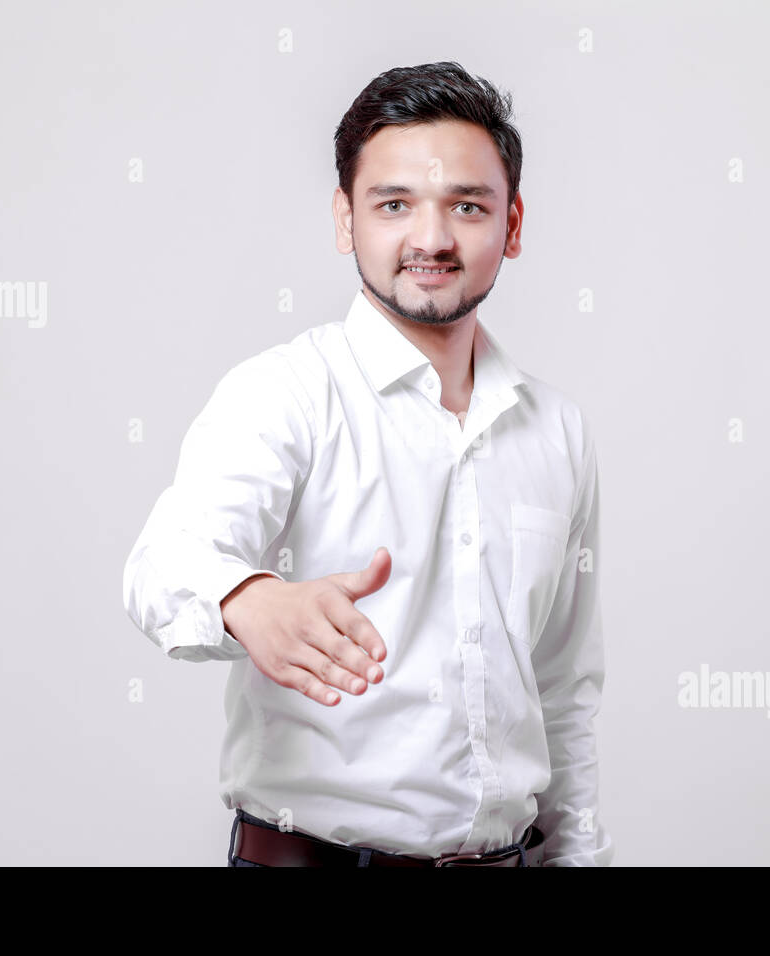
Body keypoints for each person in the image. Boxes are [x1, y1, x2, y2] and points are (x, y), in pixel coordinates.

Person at [122, 61, 613, 867]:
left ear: (513, 224)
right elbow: (161, 563)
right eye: (394, 205)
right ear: (346, 219)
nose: (431, 239)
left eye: (467, 205)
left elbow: (561, 694)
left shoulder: (558, 430)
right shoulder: (285, 393)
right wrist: (248, 597)